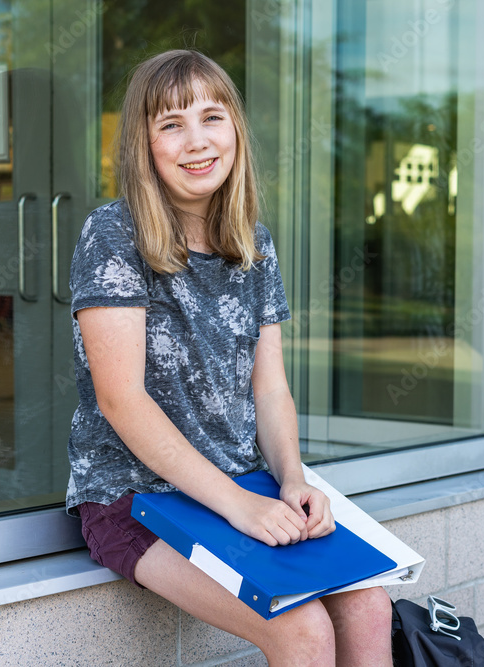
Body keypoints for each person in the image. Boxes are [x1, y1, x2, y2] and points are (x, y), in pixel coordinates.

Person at [66, 49, 393, 666]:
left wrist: (293, 480)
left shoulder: (254, 244)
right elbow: (120, 399)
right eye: (171, 124)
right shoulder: (113, 234)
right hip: (136, 497)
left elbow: (269, 389)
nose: (197, 141)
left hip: (247, 485)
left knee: (369, 607)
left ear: (235, 129)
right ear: (144, 143)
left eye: (212, 117)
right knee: (303, 631)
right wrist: (240, 505)